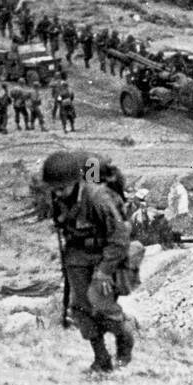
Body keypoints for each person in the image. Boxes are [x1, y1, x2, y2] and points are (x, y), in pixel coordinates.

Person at [42, 151, 137, 373]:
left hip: (103, 256)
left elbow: (120, 237)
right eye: (54, 189)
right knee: (80, 308)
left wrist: (104, 271)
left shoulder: (97, 198)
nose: (57, 194)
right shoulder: (59, 196)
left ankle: (125, 338)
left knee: (101, 303)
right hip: (76, 255)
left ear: (75, 182)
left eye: (61, 188)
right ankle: (101, 359)